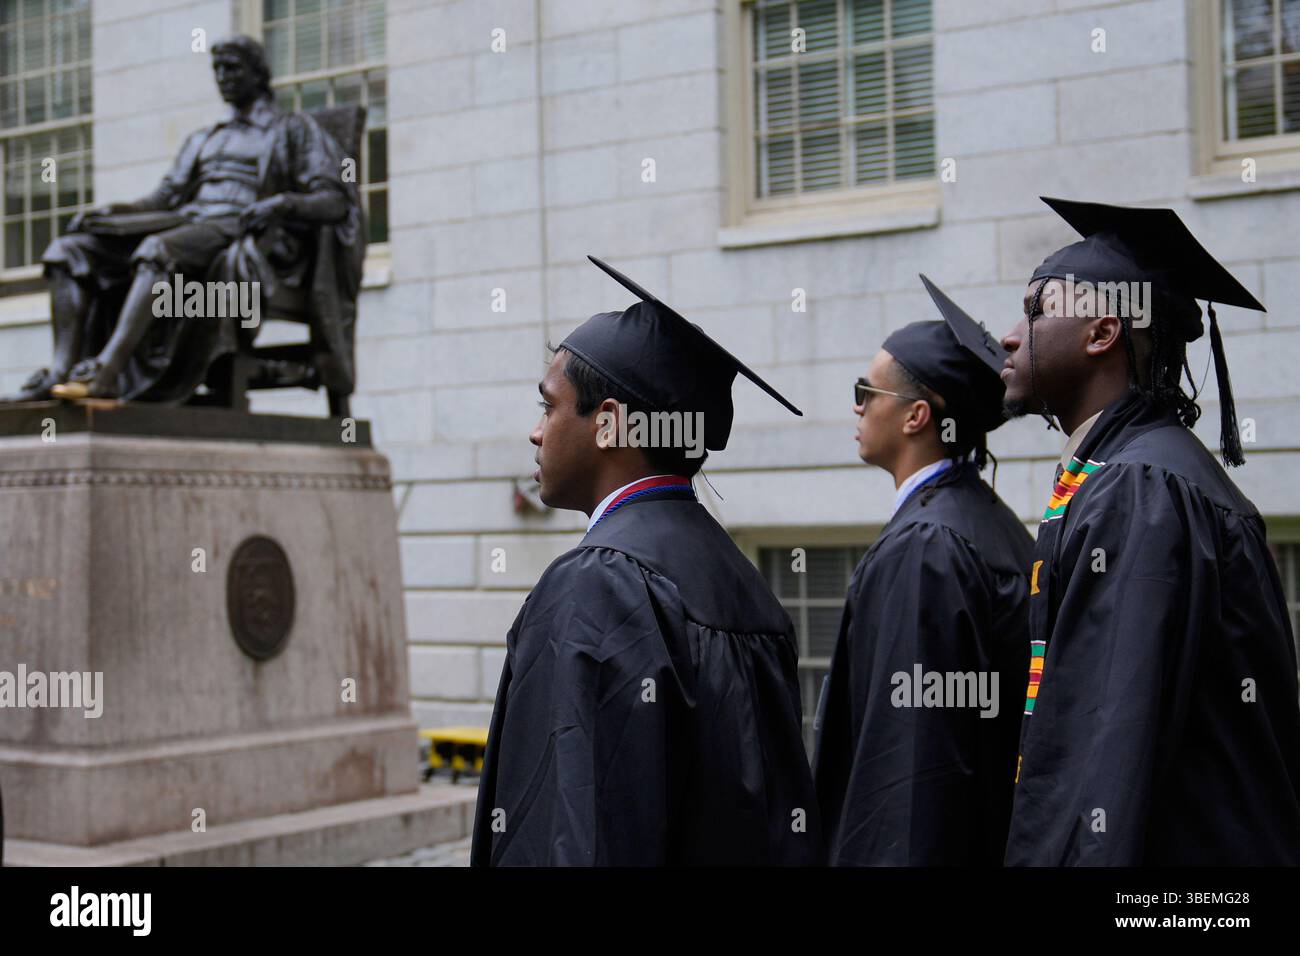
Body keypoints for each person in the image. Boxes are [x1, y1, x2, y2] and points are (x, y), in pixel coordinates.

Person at [470, 256, 822, 866]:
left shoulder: (598, 583)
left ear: (607, 424)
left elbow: (569, 833)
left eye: (549, 407)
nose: (535, 432)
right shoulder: (743, 582)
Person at [1000, 197, 1300, 865]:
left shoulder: (1141, 491)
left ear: (1101, 333)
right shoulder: (1141, 472)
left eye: (1035, 310)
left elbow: (1106, 755)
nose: (1010, 336)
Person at [5, 35, 362, 404]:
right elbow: (163, 198)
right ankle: (61, 373)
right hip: (191, 224)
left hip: (243, 230)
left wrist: (283, 204)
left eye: (232, 68)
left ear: (259, 74)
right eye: (217, 69)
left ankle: (107, 372)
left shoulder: (293, 128)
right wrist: (112, 213)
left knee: (158, 250)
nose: (222, 77)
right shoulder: (203, 139)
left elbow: (334, 199)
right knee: (69, 250)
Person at [814, 275, 1033, 865]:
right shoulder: (997, 526)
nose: (856, 405)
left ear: (915, 417)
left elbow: (909, 771)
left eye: (867, 391)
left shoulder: (927, 547)